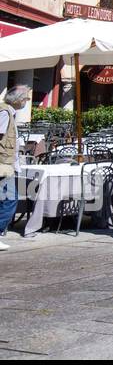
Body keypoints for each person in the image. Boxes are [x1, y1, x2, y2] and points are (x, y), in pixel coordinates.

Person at [0, 84, 29, 250]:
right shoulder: (5, 113)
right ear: (18, 100)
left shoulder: (9, 112)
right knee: (10, 199)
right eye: (25, 99)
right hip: (3, 164)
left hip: (8, 163)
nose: (26, 102)